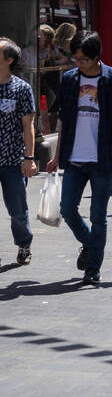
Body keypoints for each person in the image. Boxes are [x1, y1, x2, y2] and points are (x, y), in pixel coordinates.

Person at [46, 31, 112, 286]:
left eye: (84, 59)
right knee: (67, 208)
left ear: (97, 57)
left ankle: (93, 268)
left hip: (104, 158)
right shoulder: (69, 80)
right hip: (74, 158)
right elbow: (64, 118)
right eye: (76, 59)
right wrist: (56, 155)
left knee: (98, 215)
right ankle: (90, 244)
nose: (79, 63)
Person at [0, 38, 37, 266]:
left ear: (9, 60)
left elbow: (28, 126)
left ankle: (24, 244)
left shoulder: (21, 89)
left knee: (17, 210)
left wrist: (29, 158)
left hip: (13, 160)